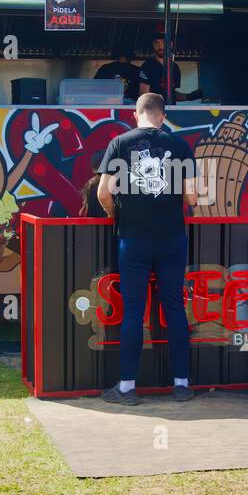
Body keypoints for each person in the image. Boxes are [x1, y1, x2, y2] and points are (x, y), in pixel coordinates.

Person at [96, 93, 197, 404]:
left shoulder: (120, 143)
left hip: (133, 239)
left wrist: (116, 213)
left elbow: (102, 193)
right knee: (175, 309)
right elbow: (193, 198)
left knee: (133, 312)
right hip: (172, 240)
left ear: (135, 114)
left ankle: (127, 388)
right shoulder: (180, 146)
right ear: (163, 116)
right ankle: (181, 385)